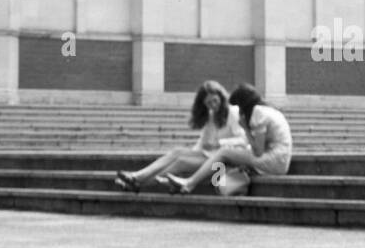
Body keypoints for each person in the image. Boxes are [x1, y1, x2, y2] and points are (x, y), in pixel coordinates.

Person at [161, 83, 292, 195]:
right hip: (278, 159)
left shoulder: (259, 113)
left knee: (225, 152)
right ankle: (185, 182)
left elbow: (258, 151)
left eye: (239, 107)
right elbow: (258, 148)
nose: (239, 110)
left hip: (275, 161)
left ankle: (189, 183)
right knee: (229, 156)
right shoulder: (266, 110)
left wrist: (245, 129)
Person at [113, 80, 244, 192]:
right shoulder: (210, 116)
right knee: (176, 152)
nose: (213, 105)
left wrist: (220, 143)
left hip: (223, 159)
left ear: (221, 97)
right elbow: (201, 143)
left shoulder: (233, 112)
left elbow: (243, 140)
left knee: (181, 162)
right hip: (208, 154)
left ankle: (140, 183)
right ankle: (137, 176)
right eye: (209, 103)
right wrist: (189, 153)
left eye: (215, 101)